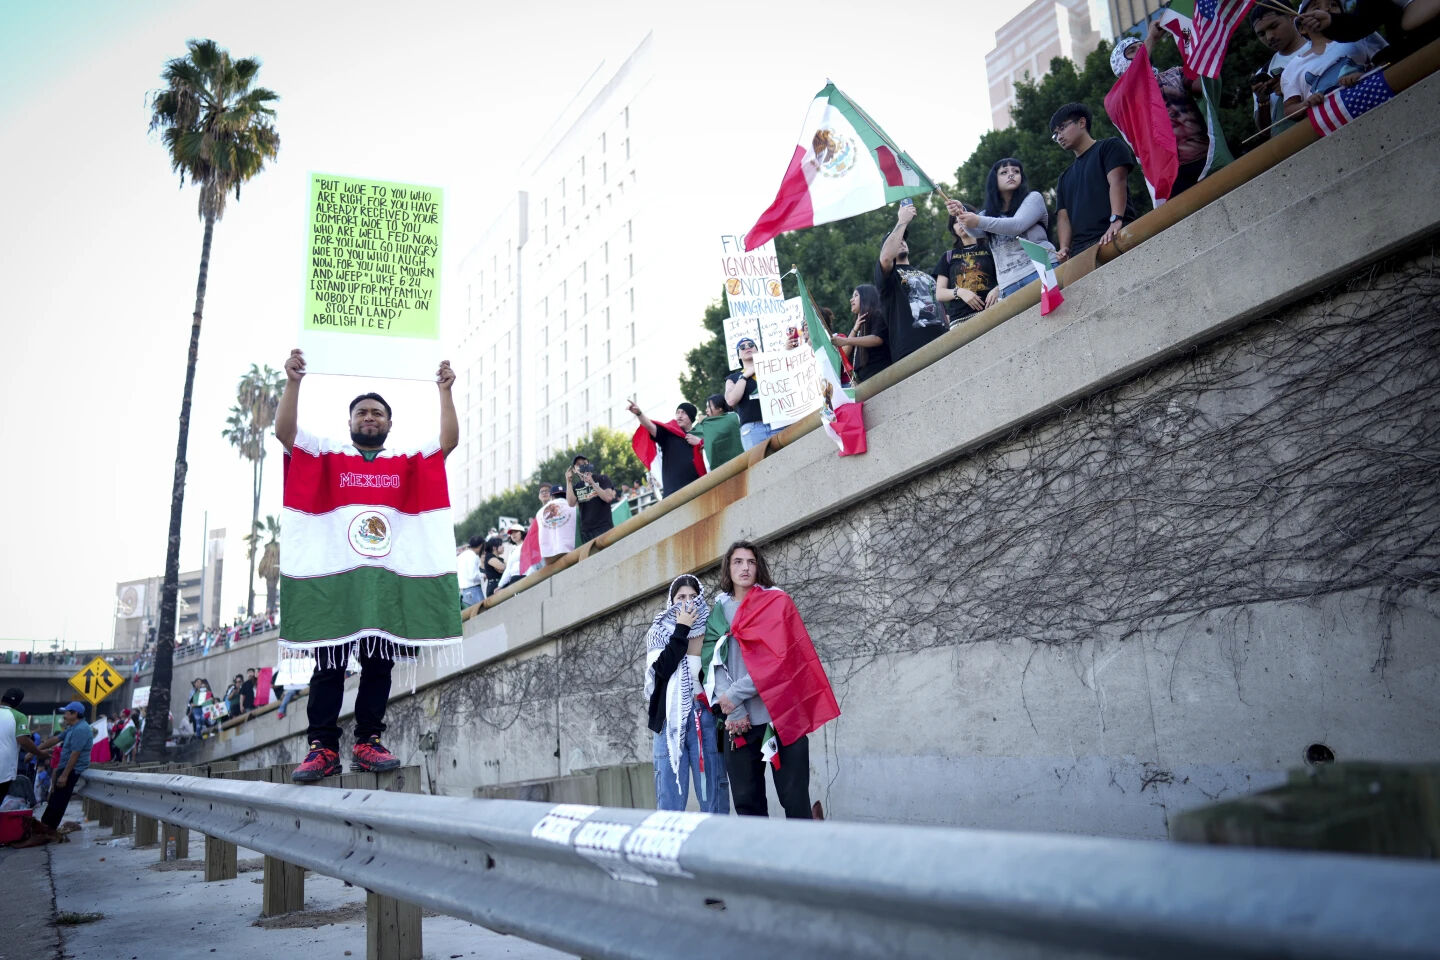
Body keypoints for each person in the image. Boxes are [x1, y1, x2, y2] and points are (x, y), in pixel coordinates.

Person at [276, 347, 461, 782]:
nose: (370, 417)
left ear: (389, 423)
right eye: (362, 412)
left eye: (378, 413)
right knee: (329, 666)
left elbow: (448, 442)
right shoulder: (326, 454)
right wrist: (293, 382)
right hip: (335, 583)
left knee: (379, 665)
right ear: (350, 421)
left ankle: (368, 742)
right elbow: (285, 433)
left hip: (383, 585)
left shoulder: (405, 461)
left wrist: (445, 391)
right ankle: (322, 748)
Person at [702, 541, 840, 819]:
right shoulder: (718, 610)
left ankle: (802, 848)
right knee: (747, 804)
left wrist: (734, 695)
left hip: (781, 717)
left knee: (795, 800)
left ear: (759, 567)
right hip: (738, 722)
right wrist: (734, 709)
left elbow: (779, 661)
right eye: (738, 562)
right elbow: (712, 661)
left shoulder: (777, 602)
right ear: (728, 568)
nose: (745, 567)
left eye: (751, 562)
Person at [646, 575, 729, 813]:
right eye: (681, 597)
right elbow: (662, 669)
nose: (687, 602)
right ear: (671, 601)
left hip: (706, 716)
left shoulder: (711, 629)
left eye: (693, 596)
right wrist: (682, 628)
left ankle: (715, 836)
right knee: (669, 792)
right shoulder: (658, 631)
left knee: (713, 791)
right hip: (669, 719)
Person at [1112, 26, 1213, 197]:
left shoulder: (1175, 74)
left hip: (1205, 159)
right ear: (1119, 63)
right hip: (1171, 176)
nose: (1140, 50)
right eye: (1132, 50)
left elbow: (1205, 85)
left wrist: (1187, 34)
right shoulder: (1122, 98)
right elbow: (1137, 76)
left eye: (1141, 47)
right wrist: (1151, 38)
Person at [950, 158, 1054, 302]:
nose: (1011, 175)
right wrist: (960, 213)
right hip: (1009, 285)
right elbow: (974, 232)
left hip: (1039, 271)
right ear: (994, 180)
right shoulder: (988, 213)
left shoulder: (1034, 198)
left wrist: (978, 220)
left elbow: (1017, 225)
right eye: (1004, 172)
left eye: (1016, 171)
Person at [1051, 102, 1137, 261]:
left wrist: (1116, 220)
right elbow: (1063, 217)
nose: (1060, 137)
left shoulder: (1109, 147)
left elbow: (1117, 182)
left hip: (1115, 233)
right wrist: (1064, 247)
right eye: (1056, 134)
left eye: (1062, 128)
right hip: (1081, 251)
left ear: (1082, 122)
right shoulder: (1064, 178)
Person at [1282, 0, 1387, 119]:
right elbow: (1289, 109)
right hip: (1334, 122)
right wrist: (1305, 104)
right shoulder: (1291, 69)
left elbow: (1387, 62)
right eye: (1316, 7)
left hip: (1378, 108)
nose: (1327, 9)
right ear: (1302, 27)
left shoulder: (1362, 34)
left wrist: (1365, 75)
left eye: (1333, 5)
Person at [874, 199, 946, 364]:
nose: (901, 241)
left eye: (903, 239)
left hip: (943, 342)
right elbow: (886, 258)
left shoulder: (926, 276)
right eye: (896, 239)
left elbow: (942, 309)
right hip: (912, 351)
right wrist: (902, 221)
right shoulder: (890, 276)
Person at [18, 702, 93, 846]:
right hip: (64, 768)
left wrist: (64, 775)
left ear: (74, 714)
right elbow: (54, 740)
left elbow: (75, 754)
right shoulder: (73, 727)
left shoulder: (81, 729)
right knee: (53, 802)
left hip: (71, 770)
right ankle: (43, 831)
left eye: (66, 713)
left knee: (58, 803)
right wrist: (34, 751)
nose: (64, 716)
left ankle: (46, 833)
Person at [1250, 6, 1310, 141]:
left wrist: (1290, 89)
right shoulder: (1263, 74)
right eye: (1261, 34)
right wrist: (1262, 101)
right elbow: (1265, 131)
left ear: (1292, 18)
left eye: (1274, 26)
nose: (1269, 37)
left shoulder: (1323, 46)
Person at [933, 205, 998, 325]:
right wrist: (960, 292)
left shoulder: (991, 248)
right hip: (960, 320)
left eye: (962, 217)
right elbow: (940, 293)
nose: (960, 223)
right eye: (955, 221)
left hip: (993, 312)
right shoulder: (947, 256)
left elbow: (1006, 273)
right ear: (953, 229)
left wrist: (998, 289)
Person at [628, 399, 707, 497]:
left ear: (691, 417)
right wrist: (639, 413)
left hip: (698, 489)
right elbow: (650, 426)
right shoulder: (669, 433)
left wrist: (700, 443)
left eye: (683, 412)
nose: (679, 415)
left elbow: (711, 456)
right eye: (678, 412)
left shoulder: (701, 435)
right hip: (673, 493)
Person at [724, 338, 776, 451]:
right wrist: (744, 376)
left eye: (751, 345)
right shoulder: (732, 378)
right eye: (742, 347)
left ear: (757, 350)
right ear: (738, 355)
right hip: (753, 429)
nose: (747, 347)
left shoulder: (772, 368)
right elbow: (731, 400)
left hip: (778, 422)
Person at [831, 284, 890, 384]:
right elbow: (845, 354)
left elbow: (877, 339)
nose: (851, 300)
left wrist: (846, 340)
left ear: (866, 297)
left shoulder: (877, 314)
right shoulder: (858, 325)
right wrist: (854, 329)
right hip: (864, 379)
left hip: (880, 374)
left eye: (856, 295)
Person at [566, 454, 617, 545]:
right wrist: (568, 481)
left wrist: (592, 483)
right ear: (574, 470)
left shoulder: (602, 478)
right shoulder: (576, 487)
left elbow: (608, 498)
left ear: (589, 464)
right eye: (578, 464)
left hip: (604, 527)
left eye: (584, 463)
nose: (582, 466)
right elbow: (570, 503)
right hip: (587, 532)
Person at [3, 688, 49, 781]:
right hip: (6, 770)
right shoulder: (19, 717)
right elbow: (23, 740)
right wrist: (39, 753)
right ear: (19, 703)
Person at [696, 394, 744, 470]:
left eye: (709, 406)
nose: (706, 410)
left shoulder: (733, 416)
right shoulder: (706, 425)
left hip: (741, 462)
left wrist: (704, 421)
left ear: (719, 408)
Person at [537, 483, 577, 564]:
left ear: (551, 496)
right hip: (570, 550)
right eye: (542, 491)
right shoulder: (573, 507)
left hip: (550, 555)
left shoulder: (540, 513)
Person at [458, 534, 485, 608]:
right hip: (474, 590)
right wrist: (483, 575)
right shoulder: (474, 556)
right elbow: (472, 576)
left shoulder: (461, 556)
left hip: (464, 592)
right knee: (482, 612)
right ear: (480, 545)